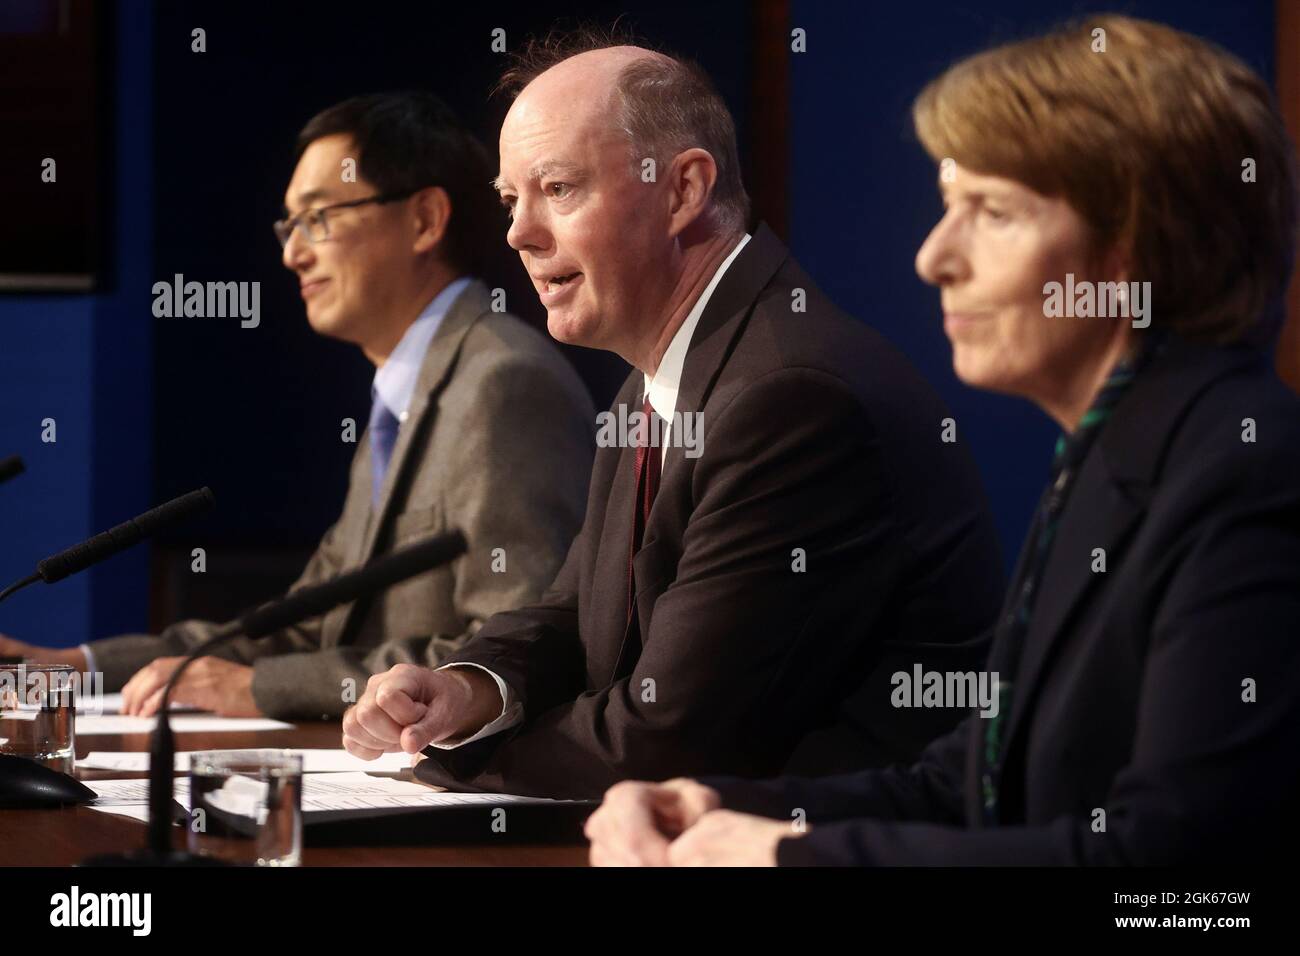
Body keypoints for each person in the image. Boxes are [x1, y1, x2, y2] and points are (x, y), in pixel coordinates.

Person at [583, 15, 1300, 865]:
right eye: (947, 207)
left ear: (1129, 249)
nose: (932, 257)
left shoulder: (1246, 475)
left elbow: (1177, 881)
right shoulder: (1111, 462)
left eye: (991, 213)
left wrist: (788, 860)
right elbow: (973, 788)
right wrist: (712, 804)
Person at [341, 35, 1004, 795]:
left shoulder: (790, 398)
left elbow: (670, 740)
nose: (519, 233)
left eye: (557, 188)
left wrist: (445, 763)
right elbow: (575, 614)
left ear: (684, 189)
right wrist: (471, 690)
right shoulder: (665, 371)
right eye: (509, 200)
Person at [0, 91, 595, 721]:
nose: (293, 254)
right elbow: (298, 629)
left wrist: (254, 690)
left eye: (318, 219)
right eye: (290, 226)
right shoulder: (405, 394)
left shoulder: (501, 382)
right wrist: (76, 667)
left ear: (424, 220)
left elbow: (514, 646)